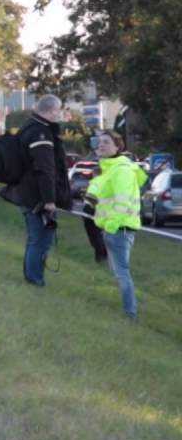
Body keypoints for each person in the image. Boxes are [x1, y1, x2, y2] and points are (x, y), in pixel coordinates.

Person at [0, 94, 72, 287]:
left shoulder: (28, 127)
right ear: (52, 111)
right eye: (59, 111)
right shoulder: (41, 133)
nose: (59, 115)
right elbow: (45, 168)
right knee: (41, 240)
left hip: (26, 193)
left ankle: (32, 277)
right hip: (37, 197)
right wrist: (49, 199)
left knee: (36, 238)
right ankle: (35, 280)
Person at [85, 131, 145, 320]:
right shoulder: (110, 168)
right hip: (112, 228)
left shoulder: (121, 169)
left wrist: (111, 225)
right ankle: (129, 311)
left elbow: (122, 201)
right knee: (119, 272)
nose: (101, 145)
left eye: (106, 142)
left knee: (122, 274)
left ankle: (131, 314)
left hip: (119, 229)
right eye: (99, 142)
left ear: (117, 147)